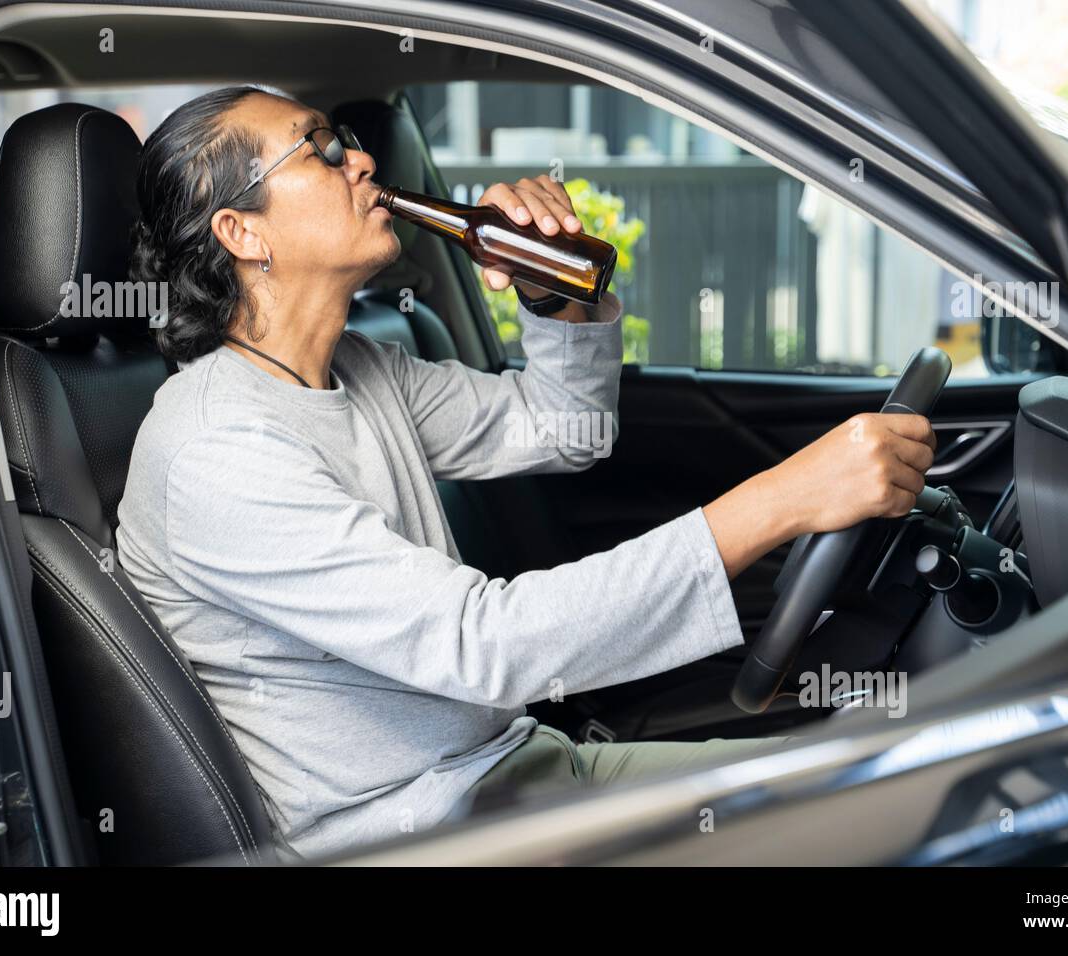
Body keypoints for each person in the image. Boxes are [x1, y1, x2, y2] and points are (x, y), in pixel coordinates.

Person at [115, 85, 936, 859]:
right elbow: (483, 645)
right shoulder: (213, 450)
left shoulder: (359, 367)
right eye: (319, 149)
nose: (359, 162)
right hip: (428, 837)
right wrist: (784, 500)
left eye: (350, 142)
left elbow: (566, 429)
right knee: (885, 819)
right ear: (242, 233)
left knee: (889, 791)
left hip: (519, 775)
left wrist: (553, 297)